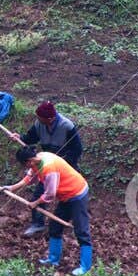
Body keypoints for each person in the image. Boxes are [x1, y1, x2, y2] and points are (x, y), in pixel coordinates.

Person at [6, 145, 93, 275]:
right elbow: (29, 178)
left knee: (81, 231)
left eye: (26, 164)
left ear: (29, 161)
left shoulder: (49, 167)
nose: (27, 167)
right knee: (55, 226)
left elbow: (50, 194)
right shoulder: (37, 161)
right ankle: (53, 260)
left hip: (77, 194)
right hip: (65, 197)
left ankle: (85, 267)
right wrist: (12, 188)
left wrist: (35, 203)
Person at [18, 101, 82, 236]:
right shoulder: (39, 124)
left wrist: (61, 164)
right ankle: (38, 224)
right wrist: (20, 138)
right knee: (38, 194)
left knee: (71, 197)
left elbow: (77, 149)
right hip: (47, 165)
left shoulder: (67, 126)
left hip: (65, 166)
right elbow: (31, 138)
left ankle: (75, 224)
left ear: (50, 119)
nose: (37, 120)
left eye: (40, 118)